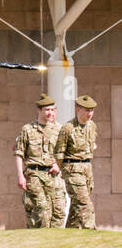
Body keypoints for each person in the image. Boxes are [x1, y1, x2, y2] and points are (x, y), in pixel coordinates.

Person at [14, 95, 65, 229]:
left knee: (58, 213)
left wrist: (58, 165)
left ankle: (55, 245)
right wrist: (20, 176)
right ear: (39, 110)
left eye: (53, 110)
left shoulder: (60, 130)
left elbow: (66, 153)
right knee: (42, 212)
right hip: (34, 174)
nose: (51, 113)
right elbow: (19, 153)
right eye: (47, 110)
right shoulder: (28, 129)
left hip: (53, 176)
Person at [55, 95, 98, 229]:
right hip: (72, 168)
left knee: (76, 205)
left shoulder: (92, 126)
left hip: (87, 168)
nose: (89, 113)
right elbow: (59, 153)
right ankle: (91, 231)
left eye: (91, 110)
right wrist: (62, 171)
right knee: (84, 204)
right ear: (78, 109)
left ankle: (70, 233)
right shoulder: (68, 128)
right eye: (87, 110)